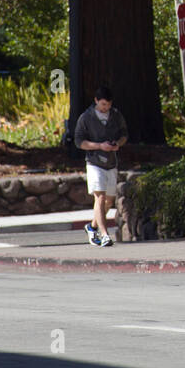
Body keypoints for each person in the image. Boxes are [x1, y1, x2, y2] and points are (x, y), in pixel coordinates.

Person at [74, 86, 128, 248]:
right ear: (96, 101)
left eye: (108, 105)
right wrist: (99, 146)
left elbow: (124, 134)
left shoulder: (116, 115)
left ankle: (92, 227)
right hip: (94, 162)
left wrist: (117, 144)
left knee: (109, 201)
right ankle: (104, 235)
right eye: (103, 104)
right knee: (100, 197)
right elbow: (79, 141)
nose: (106, 108)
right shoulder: (86, 118)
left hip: (111, 162)